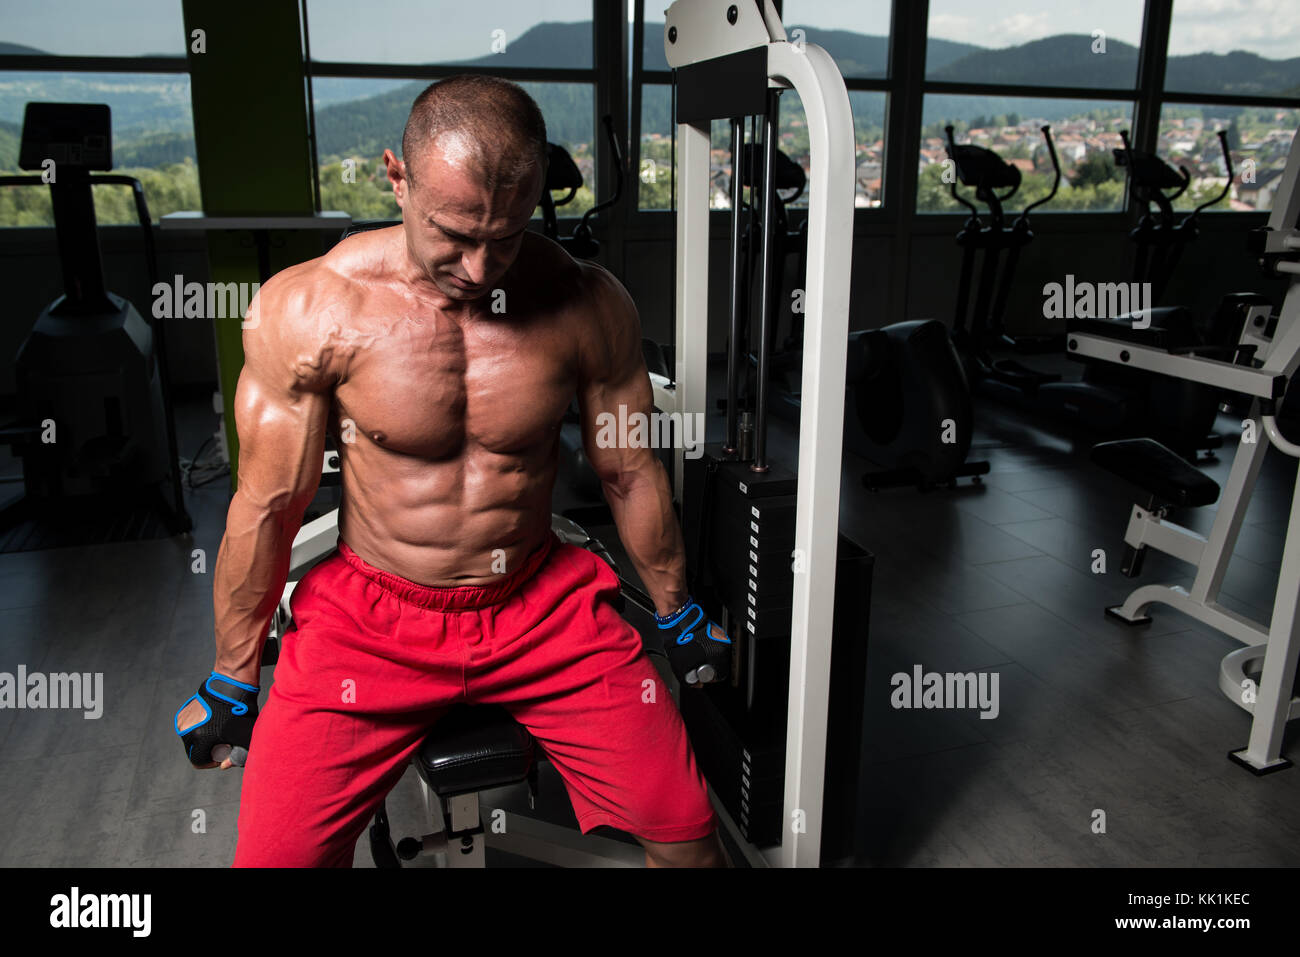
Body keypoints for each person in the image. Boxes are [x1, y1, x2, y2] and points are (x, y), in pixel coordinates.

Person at [174, 74, 735, 868]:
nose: (478, 269)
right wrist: (232, 677)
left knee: (687, 837)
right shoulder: (311, 309)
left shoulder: (586, 302)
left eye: (504, 238)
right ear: (396, 178)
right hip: (369, 621)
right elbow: (270, 505)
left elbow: (629, 471)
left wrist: (677, 614)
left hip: (542, 608)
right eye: (453, 234)